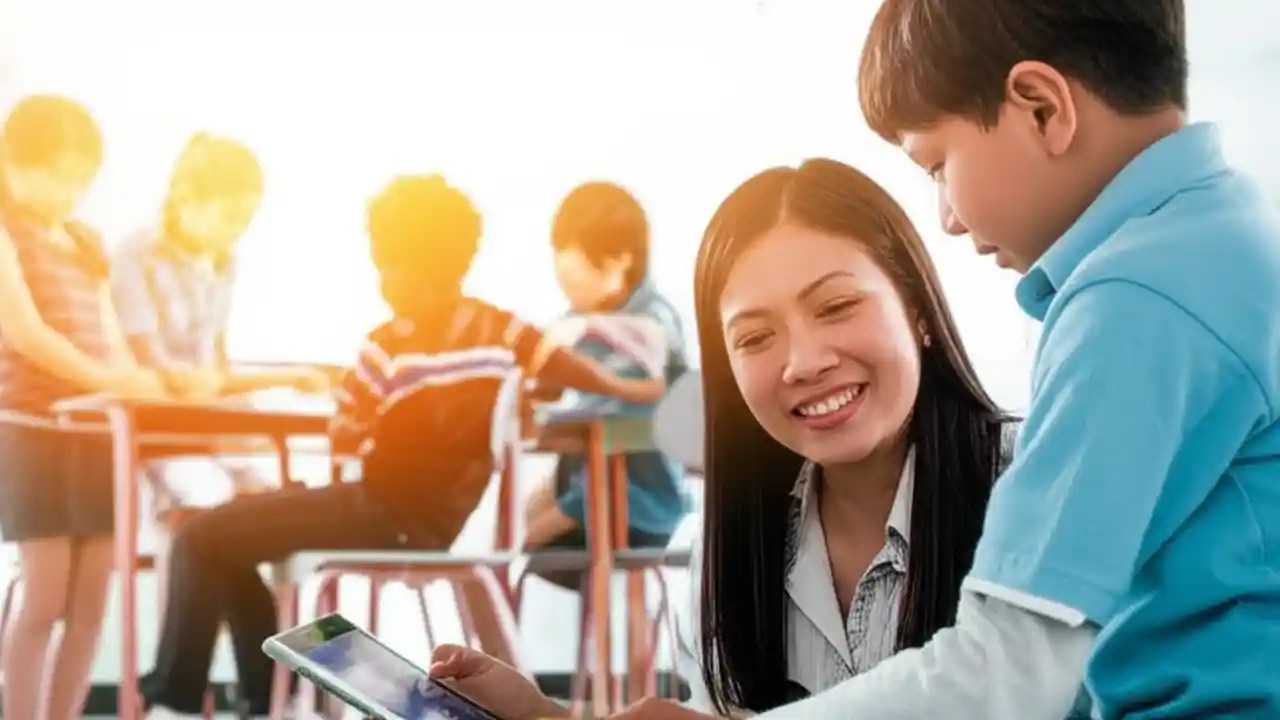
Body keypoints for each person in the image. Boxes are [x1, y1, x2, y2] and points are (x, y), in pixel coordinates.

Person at [615, 0, 1280, 717]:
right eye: (753, 336)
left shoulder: (1136, 295)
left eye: (937, 164)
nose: (950, 217)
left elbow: (1008, 670)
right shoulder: (1221, 238)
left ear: (1041, 108)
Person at [426, 158, 1019, 719]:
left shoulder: (1033, 482)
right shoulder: (729, 550)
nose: (803, 363)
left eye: (836, 306)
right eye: (756, 338)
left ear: (917, 309)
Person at [140, 174, 667, 719]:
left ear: (400, 264)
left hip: (377, 512)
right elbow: (584, 377)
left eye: (385, 263)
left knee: (201, 537)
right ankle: (266, 699)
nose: (383, 279)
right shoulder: (505, 331)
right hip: (439, 524)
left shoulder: (387, 347)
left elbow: (345, 435)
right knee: (229, 545)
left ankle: (174, 706)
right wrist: (641, 388)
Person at [0, 95, 166, 720]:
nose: (70, 190)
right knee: (42, 597)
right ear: (13, 161)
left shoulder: (84, 241)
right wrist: (105, 379)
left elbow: (111, 336)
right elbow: (26, 334)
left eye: (81, 177)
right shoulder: (4, 231)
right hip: (32, 434)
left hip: (100, 436)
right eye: (57, 173)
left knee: (92, 601)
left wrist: (134, 383)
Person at [110, 133, 328, 602]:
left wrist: (283, 381)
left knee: (279, 511)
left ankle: (275, 661)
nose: (237, 230)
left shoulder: (224, 262)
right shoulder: (136, 256)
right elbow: (162, 372)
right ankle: (186, 661)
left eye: (245, 219)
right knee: (200, 511)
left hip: (216, 426)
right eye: (230, 216)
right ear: (187, 197)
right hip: (164, 432)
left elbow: (216, 368)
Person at [524, 181, 689, 576]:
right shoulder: (578, 324)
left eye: (572, 273)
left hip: (638, 502)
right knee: (521, 528)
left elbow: (612, 410)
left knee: (513, 550)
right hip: (589, 488)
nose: (564, 287)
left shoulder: (649, 327)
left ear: (618, 261)